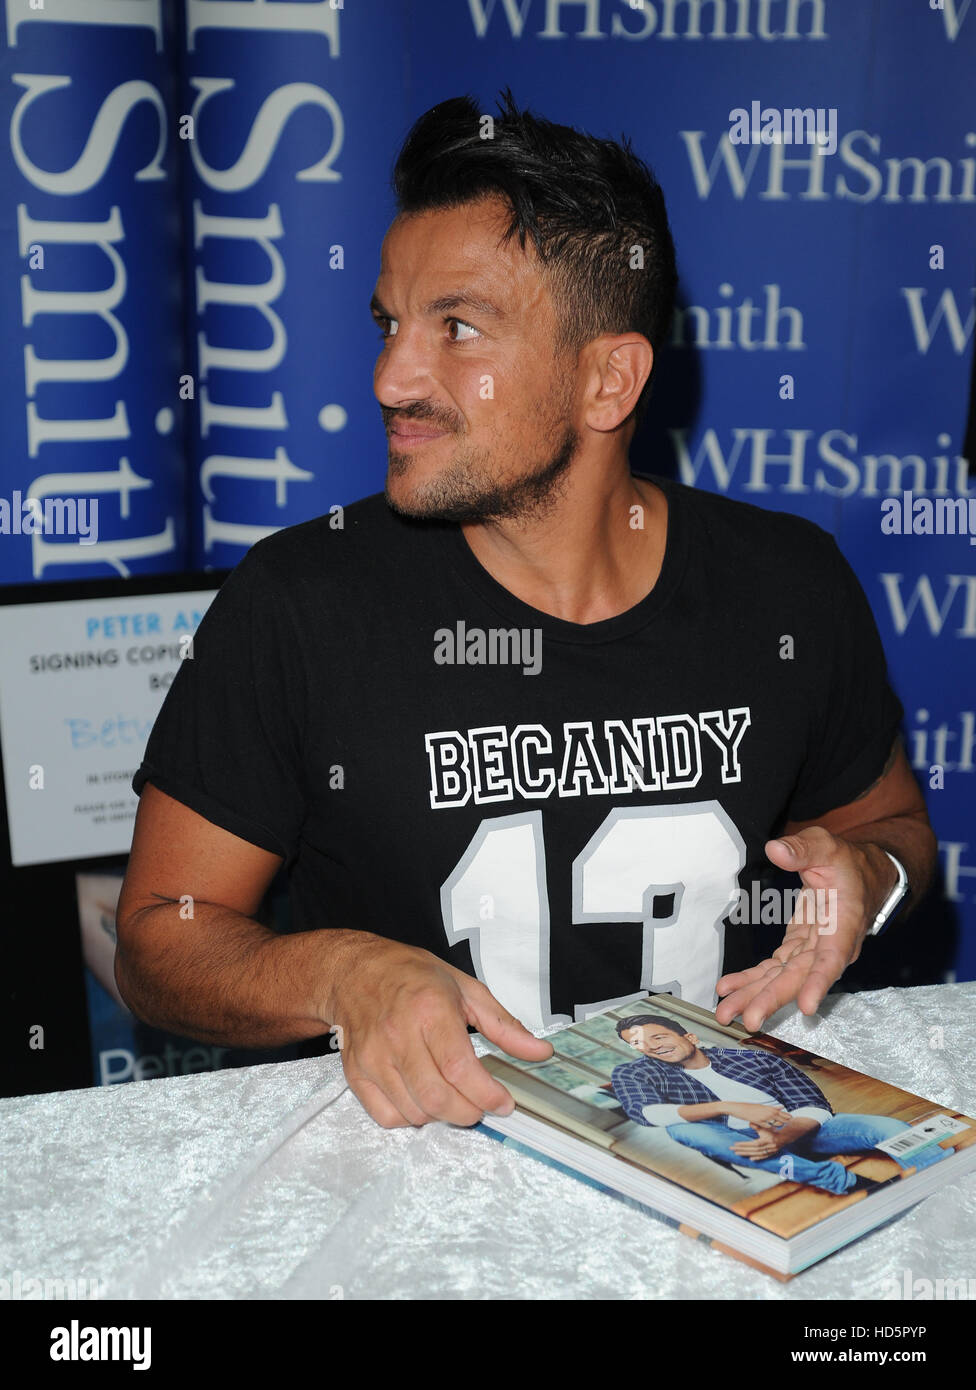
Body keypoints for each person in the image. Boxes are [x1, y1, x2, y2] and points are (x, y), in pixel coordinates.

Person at [115, 90, 936, 1131]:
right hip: (425, 1194)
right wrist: (336, 974)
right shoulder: (296, 602)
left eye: (456, 328)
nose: (390, 376)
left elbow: (890, 828)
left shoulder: (789, 585)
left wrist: (868, 876)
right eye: (391, 323)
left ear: (607, 380)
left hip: (726, 1175)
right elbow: (155, 935)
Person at [611, 1016, 948, 1194]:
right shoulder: (634, 1073)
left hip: (804, 1128)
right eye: (639, 1044)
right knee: (682, 1129)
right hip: (748, 1142)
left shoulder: (753, 1060)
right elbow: (647, 1113)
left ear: (690, 1038)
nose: (651, 1047)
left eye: (658, 1037)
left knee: (888, 1129)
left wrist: (788, 1132)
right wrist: (731, 1107)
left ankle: (943, 1175)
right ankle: (840, 1181)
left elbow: (811, 1103)